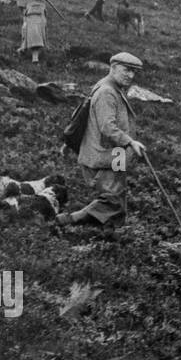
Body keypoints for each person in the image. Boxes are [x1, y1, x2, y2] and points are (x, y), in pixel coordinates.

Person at [53, 52, 146, 235]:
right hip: (104, 155)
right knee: (112, 201)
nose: (131, 75)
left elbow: (82, 116)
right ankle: (70, 220)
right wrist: (130, 142)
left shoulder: (111, 87)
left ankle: (110, 235)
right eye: (126, 70)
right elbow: (107, 127)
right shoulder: (106, 92)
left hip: (115, 154)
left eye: (134, 72)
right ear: (113, 68)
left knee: (118, 197)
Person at [23, 0, 51, 65]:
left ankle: (36, 57)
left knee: (40, 34)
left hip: (41, 12)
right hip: (33, 12)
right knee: (35, 35)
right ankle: (34, 59)